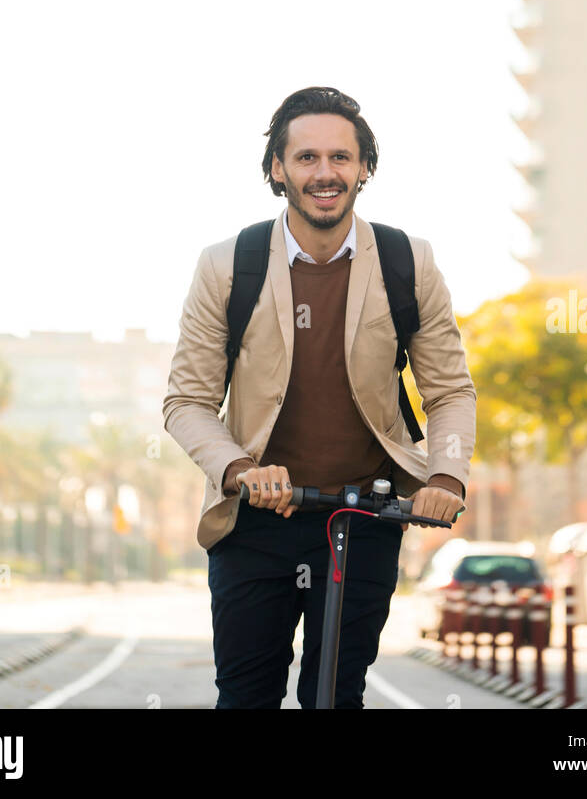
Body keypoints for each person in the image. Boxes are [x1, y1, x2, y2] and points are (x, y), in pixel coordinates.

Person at [162, 85, 476, 708]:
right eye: (306, 158)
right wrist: (241, 470)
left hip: (365, 515)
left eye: (340, 157)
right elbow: (187, 402)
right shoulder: (229, 265)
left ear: (365, 168)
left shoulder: (407, 262)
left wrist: (446, 475)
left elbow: (450, 390)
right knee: (246, 697)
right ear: (278, 170)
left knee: (335, 696)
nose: (324, 173)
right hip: (255, 521)